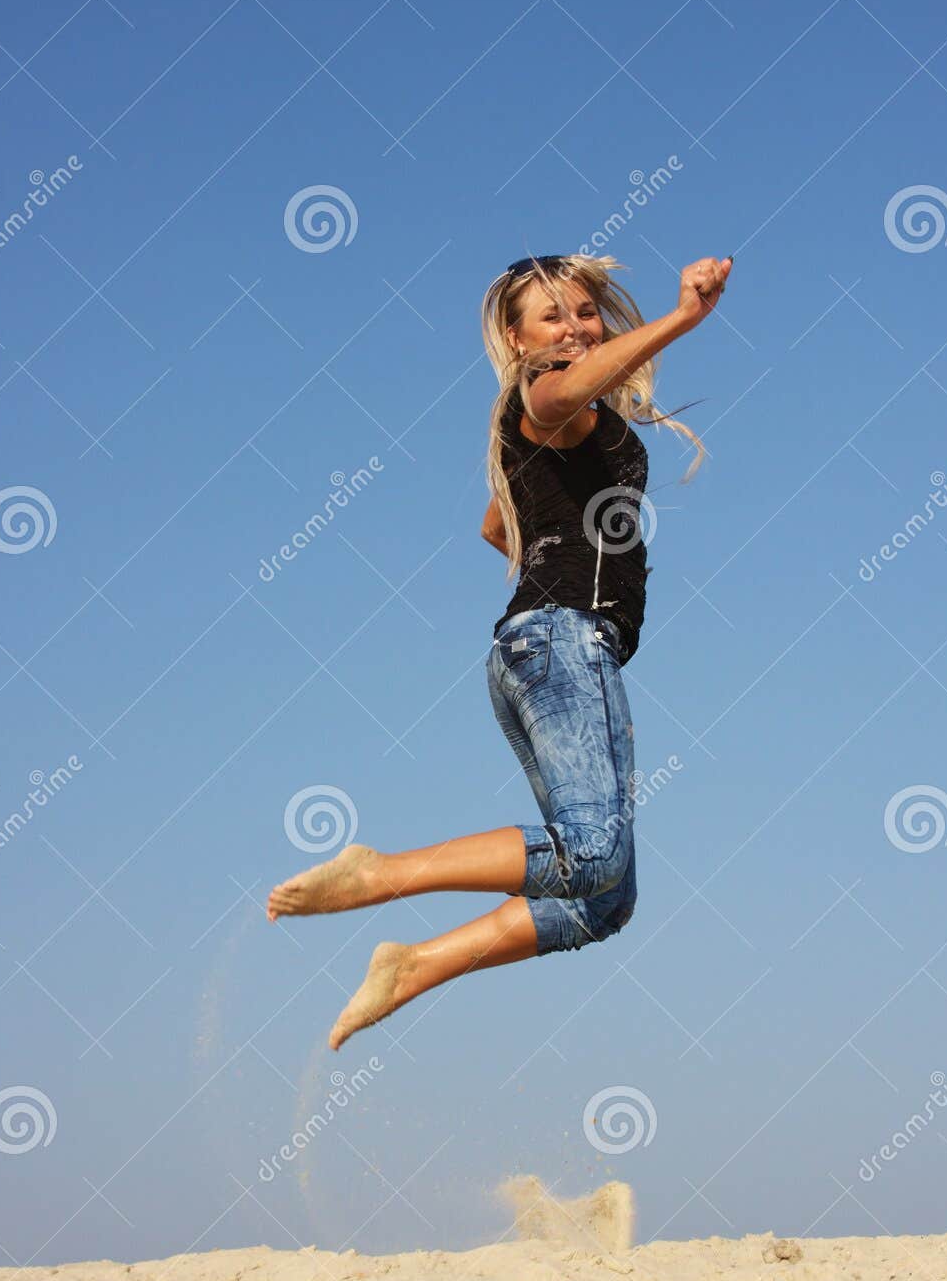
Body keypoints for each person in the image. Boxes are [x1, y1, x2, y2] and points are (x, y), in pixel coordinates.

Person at [267, 250, 733, 1049]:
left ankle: (415, 965)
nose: (578, 326)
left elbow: (495, 525)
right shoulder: (545, 398)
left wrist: (556, 558)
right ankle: (379, 875)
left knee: (604, 897)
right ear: (518, 342)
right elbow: (567, 391)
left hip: (555, 647)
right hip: (562, 641)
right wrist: (683, 319)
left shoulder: (564, 425)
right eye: (553, 316)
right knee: (592, 856)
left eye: (585, 312)